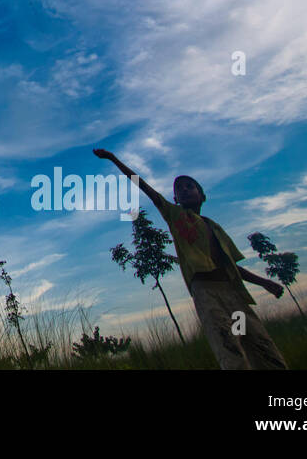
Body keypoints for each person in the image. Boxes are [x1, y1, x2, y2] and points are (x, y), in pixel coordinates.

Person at [93, 148, 288, 369]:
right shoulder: (175, 216)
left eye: (189, 186)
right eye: (179, 189)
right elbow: (144, 186)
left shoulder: (214, 227)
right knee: (230, 349)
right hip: (208, 295)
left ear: (202, 195)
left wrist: (266, 283)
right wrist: (112, 158)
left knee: (256, 344)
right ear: (175, 199)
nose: (184, 190)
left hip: (233, 295)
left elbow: (233, 266)